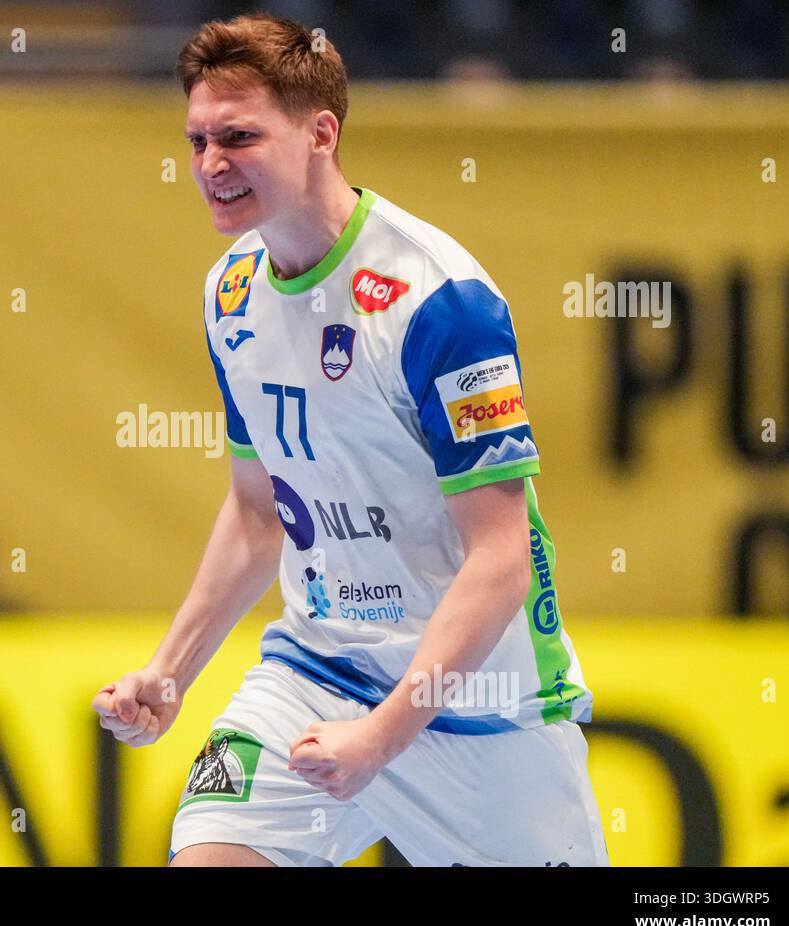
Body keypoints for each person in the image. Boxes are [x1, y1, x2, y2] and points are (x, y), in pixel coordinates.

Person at [93, 13, 607, 867]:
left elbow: (501, 560)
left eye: (239, 137)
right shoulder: (229, 296)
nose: (211, 165)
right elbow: (260, 514)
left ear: (320, 133)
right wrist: (169, 674)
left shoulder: (440, 301)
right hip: (314, 674)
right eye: (197, 141)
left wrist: (383, 737)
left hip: (477, 707)